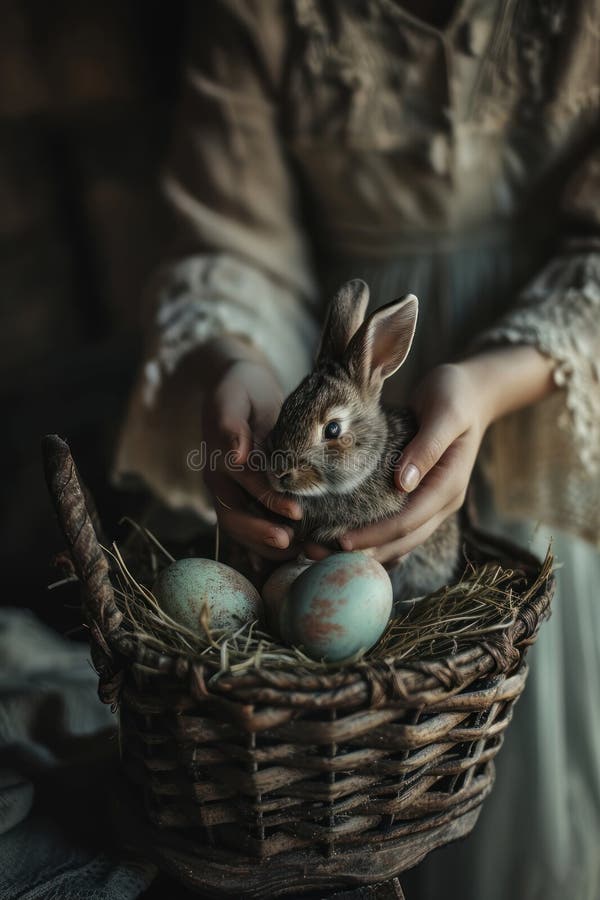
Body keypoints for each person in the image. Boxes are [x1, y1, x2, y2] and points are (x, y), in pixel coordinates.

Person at [115, 2, 600, 897]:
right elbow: (230, 240)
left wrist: (491, 383)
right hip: (311, 367)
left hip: (533, 392)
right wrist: (239, 362)